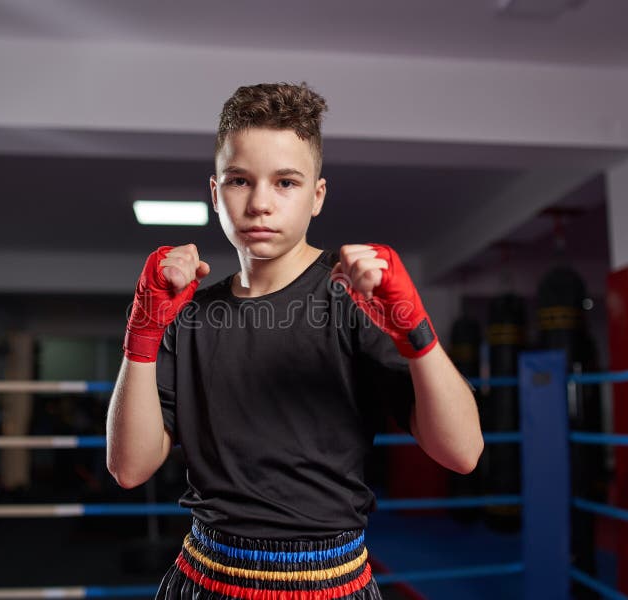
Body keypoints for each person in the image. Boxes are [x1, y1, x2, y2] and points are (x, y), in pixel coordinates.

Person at [106, 82, 483, 599]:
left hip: (329, 583)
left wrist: (416, 331)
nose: (260, 203)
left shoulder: (354, 295)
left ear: (317, 196)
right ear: (215, 194)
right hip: (204, 579)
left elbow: (463, 454)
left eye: (285, 182)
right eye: (240, 180)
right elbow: (130, 468)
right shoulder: (186, 311)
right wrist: (143, 334)